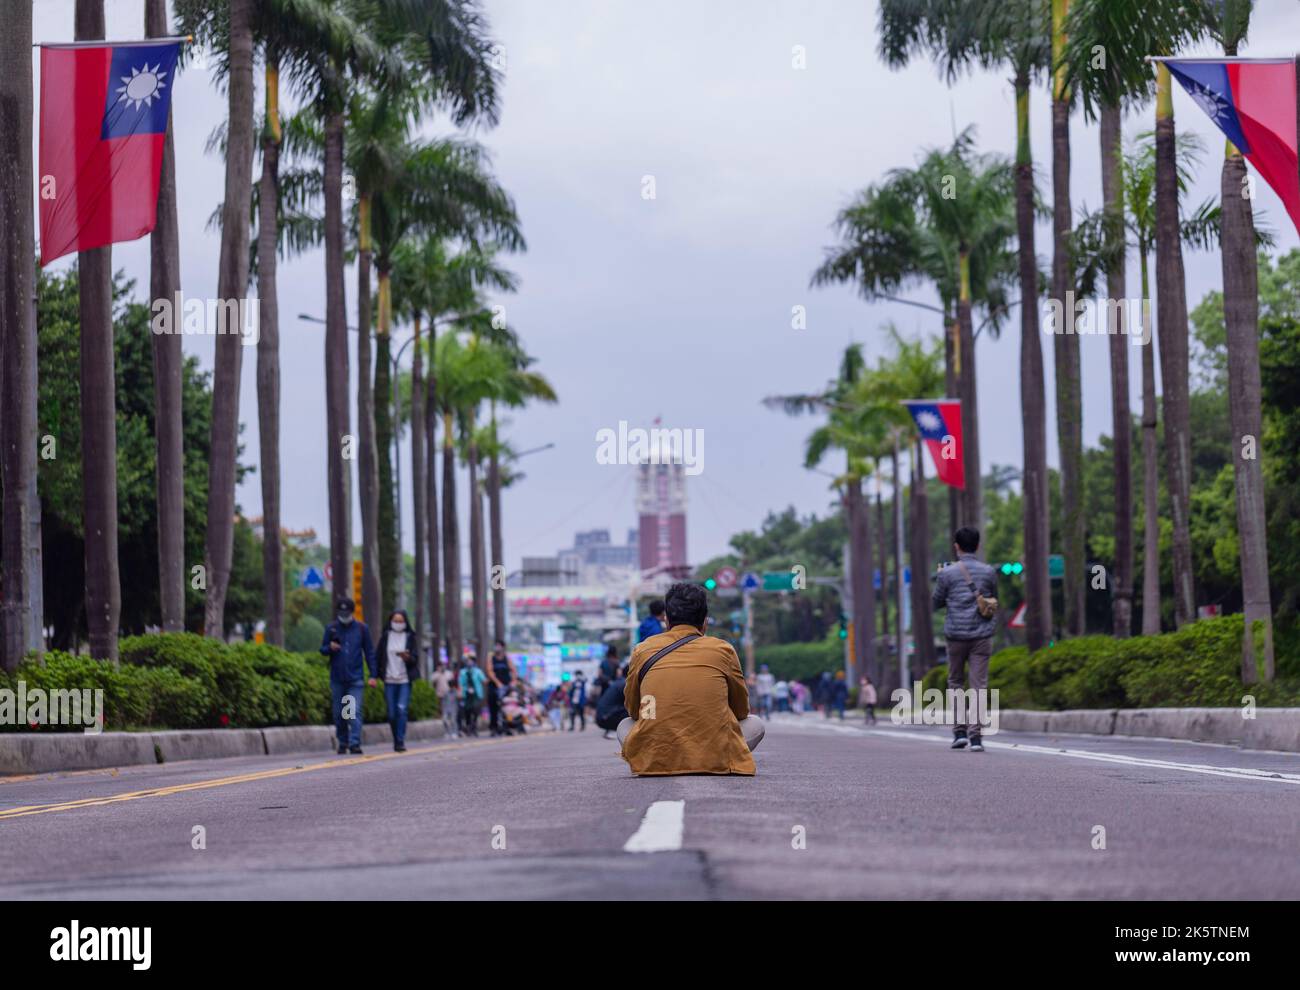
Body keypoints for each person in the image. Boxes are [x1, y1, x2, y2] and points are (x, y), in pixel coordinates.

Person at [618, 582, 764, 776]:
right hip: (714, 757)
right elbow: (741, 710)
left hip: (656, 757)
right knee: (756, 724)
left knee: (624, 724)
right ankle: (714, 758)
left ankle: (655, 760)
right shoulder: (723, 649)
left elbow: (633, 709)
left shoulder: (642, 650)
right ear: (705, 621)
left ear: (667, 621)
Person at [932, 526, 999, 752]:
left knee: (956, 682)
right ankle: (976, 737)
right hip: (981, 635)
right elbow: (993, 598)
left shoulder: (947, 574)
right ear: (978, 546)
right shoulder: (989, 571)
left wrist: (943, 582)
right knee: (979, 685)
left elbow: (936, 602)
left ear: (956, 547)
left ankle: (959, 732)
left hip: (956, 636)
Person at [319, 598, 378, 755]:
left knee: (353, 710)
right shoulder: (331, 628)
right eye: (341, 612)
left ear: (352, 612)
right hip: (337, 678)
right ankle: (343, 742)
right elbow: (322, 649)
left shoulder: (361, 628)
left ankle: (354, 743)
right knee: (339, 713)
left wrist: (373, 674)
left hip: (355, 678)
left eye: (347, 612)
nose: (344, 615)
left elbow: (369, 652)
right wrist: (330, 647)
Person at [375, 609, 419, 752]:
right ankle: (396, 738)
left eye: (401, 621)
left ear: (405, 622)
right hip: (389, 679)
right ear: (390, 621)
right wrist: (373, 676)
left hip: (404, 679)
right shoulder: (386, 636)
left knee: (401, 709)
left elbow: (415, 658)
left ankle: (400, 741)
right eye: (395, 621)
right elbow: (378, 657)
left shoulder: (410, 637)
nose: (398, 624)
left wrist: (407, 657)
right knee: (392, 713)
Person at [486, 640, 517, 736]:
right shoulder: (491, 657)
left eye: (499, 646)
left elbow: (513, 671)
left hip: (506, 687)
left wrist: (513, 681)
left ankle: (507, 726)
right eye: (496, 646)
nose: (497, 648)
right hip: (494, 686)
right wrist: (497, 683)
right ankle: (494, 728)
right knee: (493, 707)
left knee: (508, 707)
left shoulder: (507, 658)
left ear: (503, 647)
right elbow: (489, 671)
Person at [595, 663, 630, 738]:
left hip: (602, 716)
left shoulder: (619, 682)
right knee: (635, 711)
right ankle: (617, 732)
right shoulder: (625, 684)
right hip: (606, 717)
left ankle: (613, 730)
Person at [458, 657, 487, 737]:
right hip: (466, 694)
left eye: (471, 661)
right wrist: (460, 692)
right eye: (468, 661)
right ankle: (468, 727)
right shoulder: (463, 672)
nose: (469, 663)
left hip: (476, 694)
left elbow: (484, 680)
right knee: (467, 710)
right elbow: (460, 683)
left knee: (475, 709)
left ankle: (474, 726)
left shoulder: (478, 671)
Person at [433, 660, 459, 739]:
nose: (442, 667)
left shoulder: (449, 673)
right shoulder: (436, 674)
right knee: (444, 717)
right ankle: (447, 732)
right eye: (441, 665)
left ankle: (454, 732)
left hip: (451, 695)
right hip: (440, 696)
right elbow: (433, 681)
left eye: (443, 665)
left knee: (453, 718)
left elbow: (454, 683)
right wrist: (439, 673)